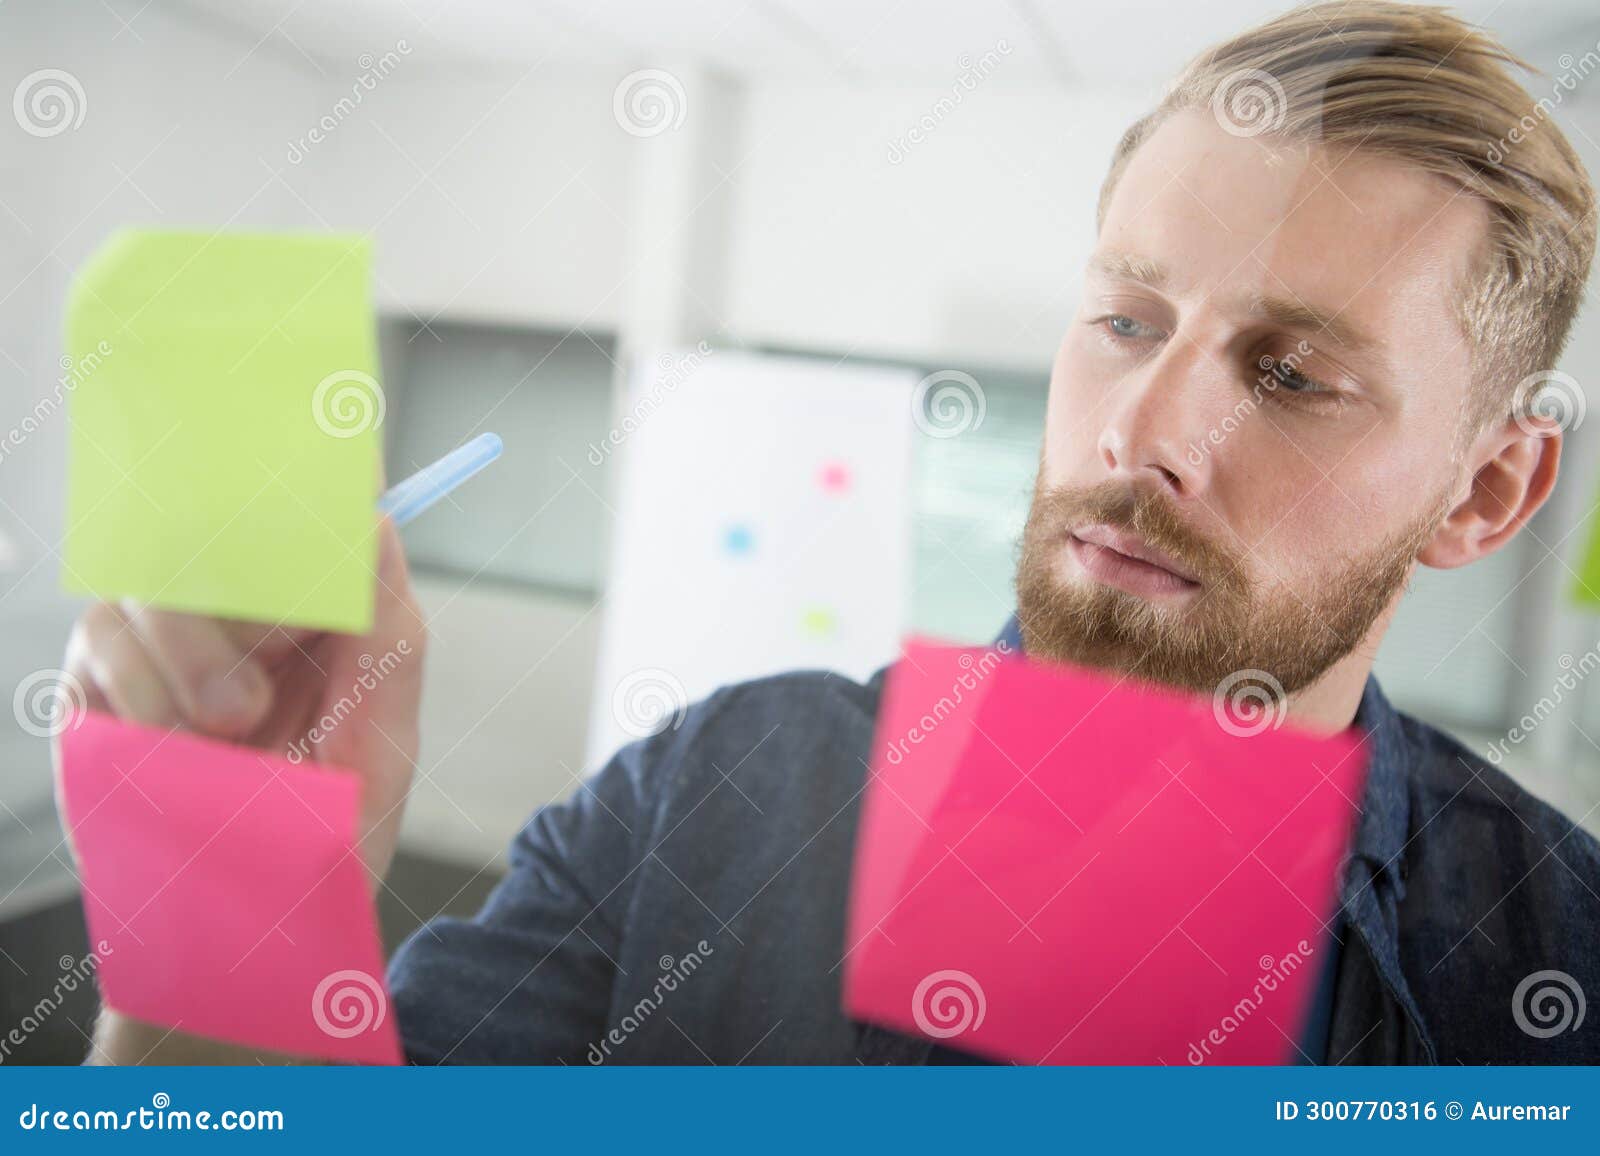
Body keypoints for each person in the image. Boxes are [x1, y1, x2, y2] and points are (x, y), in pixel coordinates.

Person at [61, 1, 1600, 1064]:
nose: (1146, 434)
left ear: (1485, 495)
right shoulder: (719, 796)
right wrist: (230, 920)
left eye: (1293, 376)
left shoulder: (1557, 960)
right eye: (1126, 319)